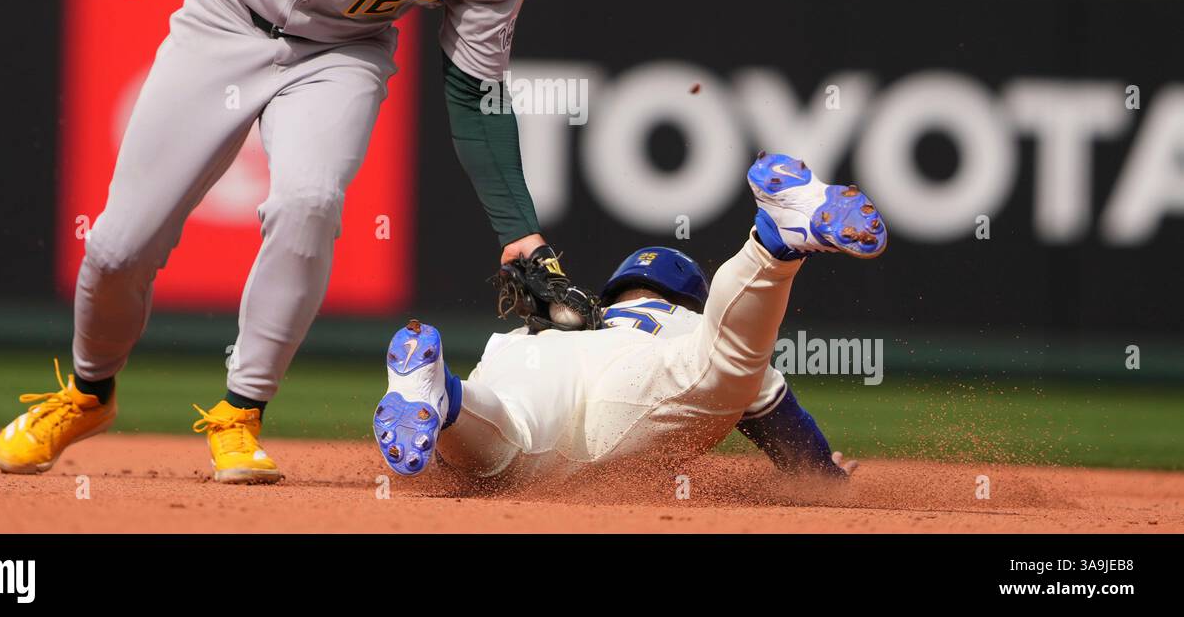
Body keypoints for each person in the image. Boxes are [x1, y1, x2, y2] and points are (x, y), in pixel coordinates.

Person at [0, 0, 586, 483]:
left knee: (309, 201)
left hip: (342, 54)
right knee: (115, 247)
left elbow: (475, 91)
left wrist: (519, 235)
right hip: (223, 18)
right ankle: (88, 391)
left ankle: (242, 413)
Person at [373, 150, 884, 483]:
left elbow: (450, 469)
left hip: (529, 354)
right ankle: (774, 247)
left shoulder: (554, 326)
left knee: (502, 445)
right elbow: (798, 455)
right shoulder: (686, 325)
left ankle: (447, 397)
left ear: (615, 295)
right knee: (730, 360)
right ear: (692, 301)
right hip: (638, 375)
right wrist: (821, 472)